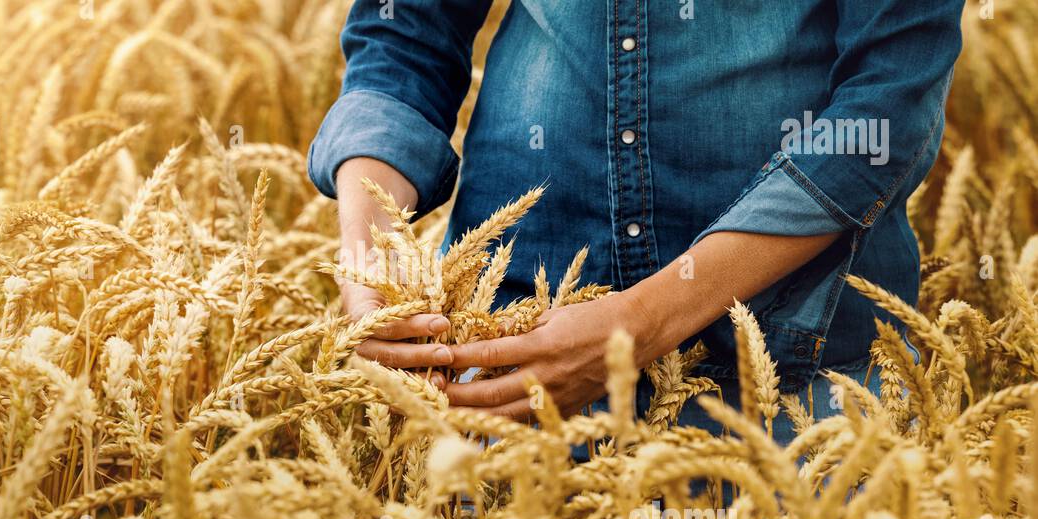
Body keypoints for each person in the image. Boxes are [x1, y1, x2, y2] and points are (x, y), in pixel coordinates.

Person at [308, 0, 965, 444]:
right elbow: (406, 33)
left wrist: (641, 323)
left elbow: (888, 102)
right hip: (507, 353)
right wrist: (372, 258)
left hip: (789, 382)